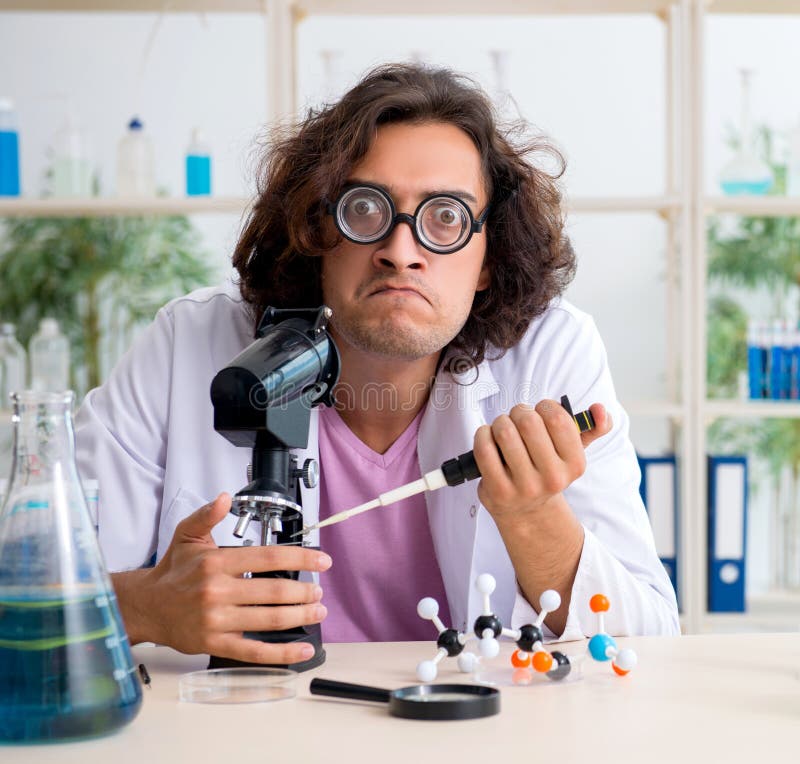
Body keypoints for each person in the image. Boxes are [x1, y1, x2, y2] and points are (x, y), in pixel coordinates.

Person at [75, 63, 679, 667]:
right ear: (315, 229)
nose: (400, 251)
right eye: (365, 209)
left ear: (489, 256)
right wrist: (145, 607)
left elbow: (650, 641)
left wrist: (533, 517)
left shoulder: (549, 356)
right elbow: (24, 601)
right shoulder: (190, 342)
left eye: (447, 216)